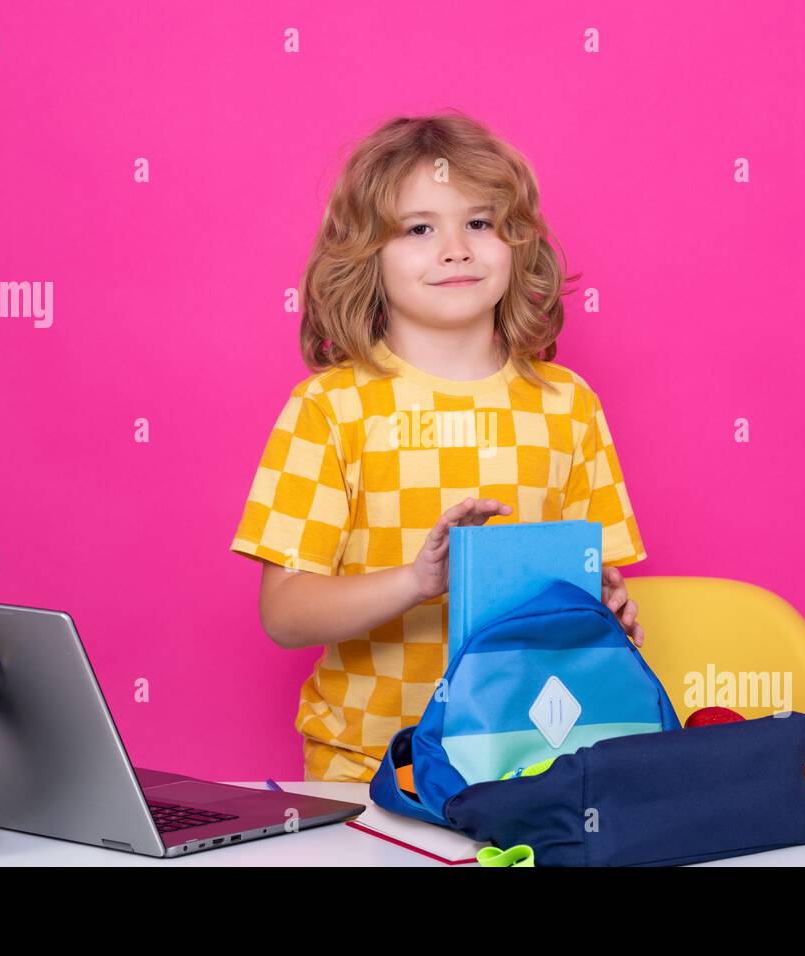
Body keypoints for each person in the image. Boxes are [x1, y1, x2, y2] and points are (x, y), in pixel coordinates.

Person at [230, 111, 649, 783]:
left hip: (531, 764)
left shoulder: (567, 404)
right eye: (420, 228)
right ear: (367, 258)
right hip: (368, 768)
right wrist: (418, 582)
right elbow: (284, 613)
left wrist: (608, 612)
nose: (456, 248)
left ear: (518, 244)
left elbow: (594, 588)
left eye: (479, 224)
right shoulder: (332, 409)